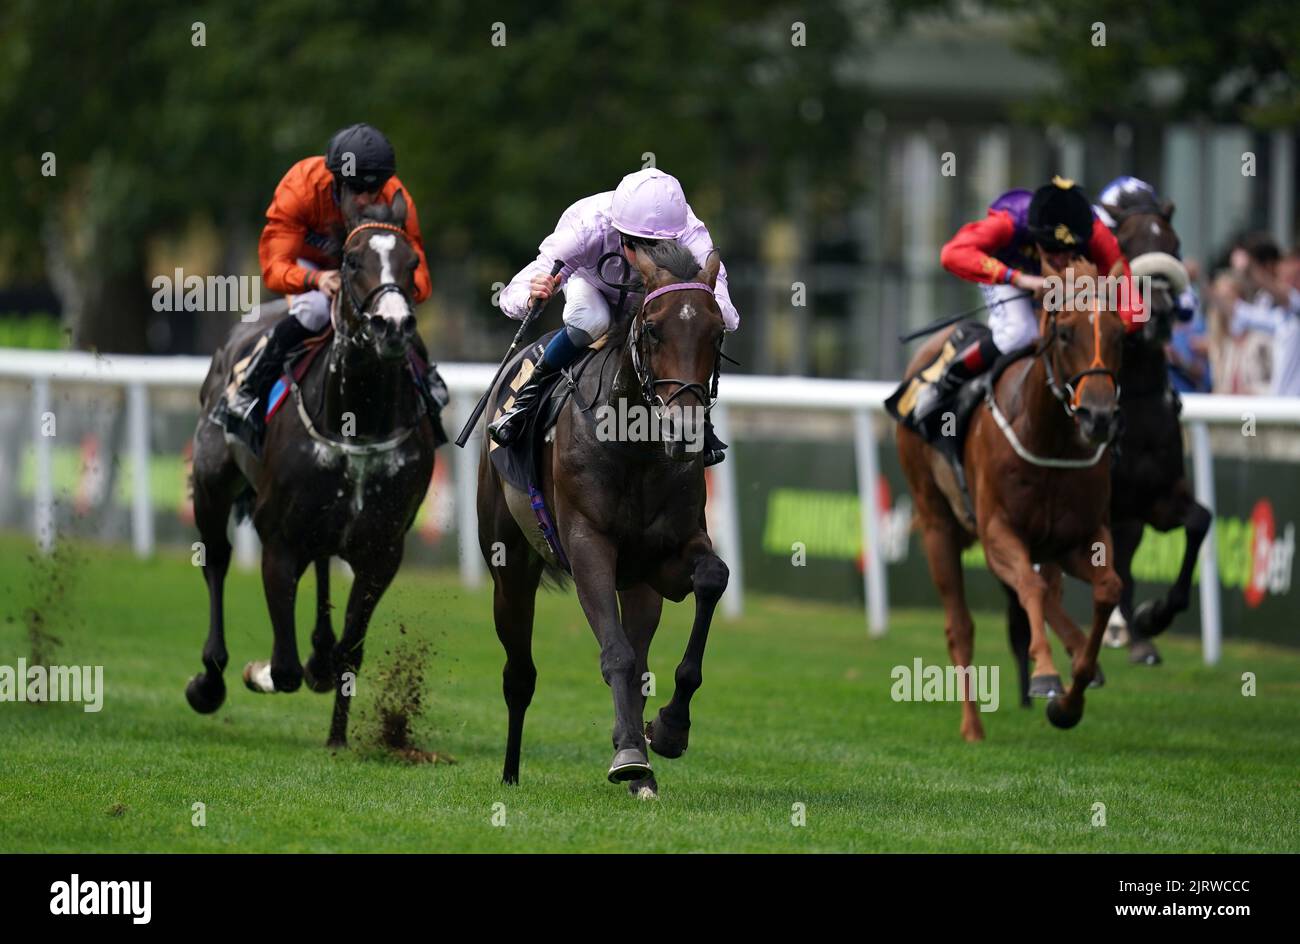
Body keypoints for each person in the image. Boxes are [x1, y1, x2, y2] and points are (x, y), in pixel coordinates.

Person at [487, 168, 739, 464]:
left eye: (662, 249)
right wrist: (531, 294)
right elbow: (513, 292)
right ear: (621, 236)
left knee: (685, 324)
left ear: (677, 238)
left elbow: (725, 310)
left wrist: (703, 312)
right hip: (593, 289)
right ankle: (525, 400)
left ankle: (698, 422)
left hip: (656, 302)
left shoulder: (691, 233)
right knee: (591, 320)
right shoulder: (586, 229)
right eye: (640, 248)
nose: (651, 259)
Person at [217, 123, 438, 455]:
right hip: (308, 269)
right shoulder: (301, 187)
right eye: (356, 190)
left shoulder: (396, 197)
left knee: (395, 315)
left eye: (373, 190)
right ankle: (248, 388)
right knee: (314, 310)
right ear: (336, 180)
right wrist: (316, 280)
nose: (365, 200)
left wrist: (398, 294)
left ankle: (428, 384)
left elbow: (418, 270)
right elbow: (274, 268)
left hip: (367, 275)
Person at [902, 176, 1141, 423]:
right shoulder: (1009, 222)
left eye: (1068, 252)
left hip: (1072, 285)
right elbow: (951, 254)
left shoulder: (1097, 234)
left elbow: (1136, 308)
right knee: (1019, 332)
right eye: (1051, 252)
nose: (1060, 260)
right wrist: (1019, 279)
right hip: (1008, 274)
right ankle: (947, 381)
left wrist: (1104, 307)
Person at [1216, 234, 1300, 396]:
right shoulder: (1274, 311)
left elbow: (1286, 297)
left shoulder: (1290, 303)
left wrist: (1249, 265)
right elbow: (1239, 311)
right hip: (1278, 405)